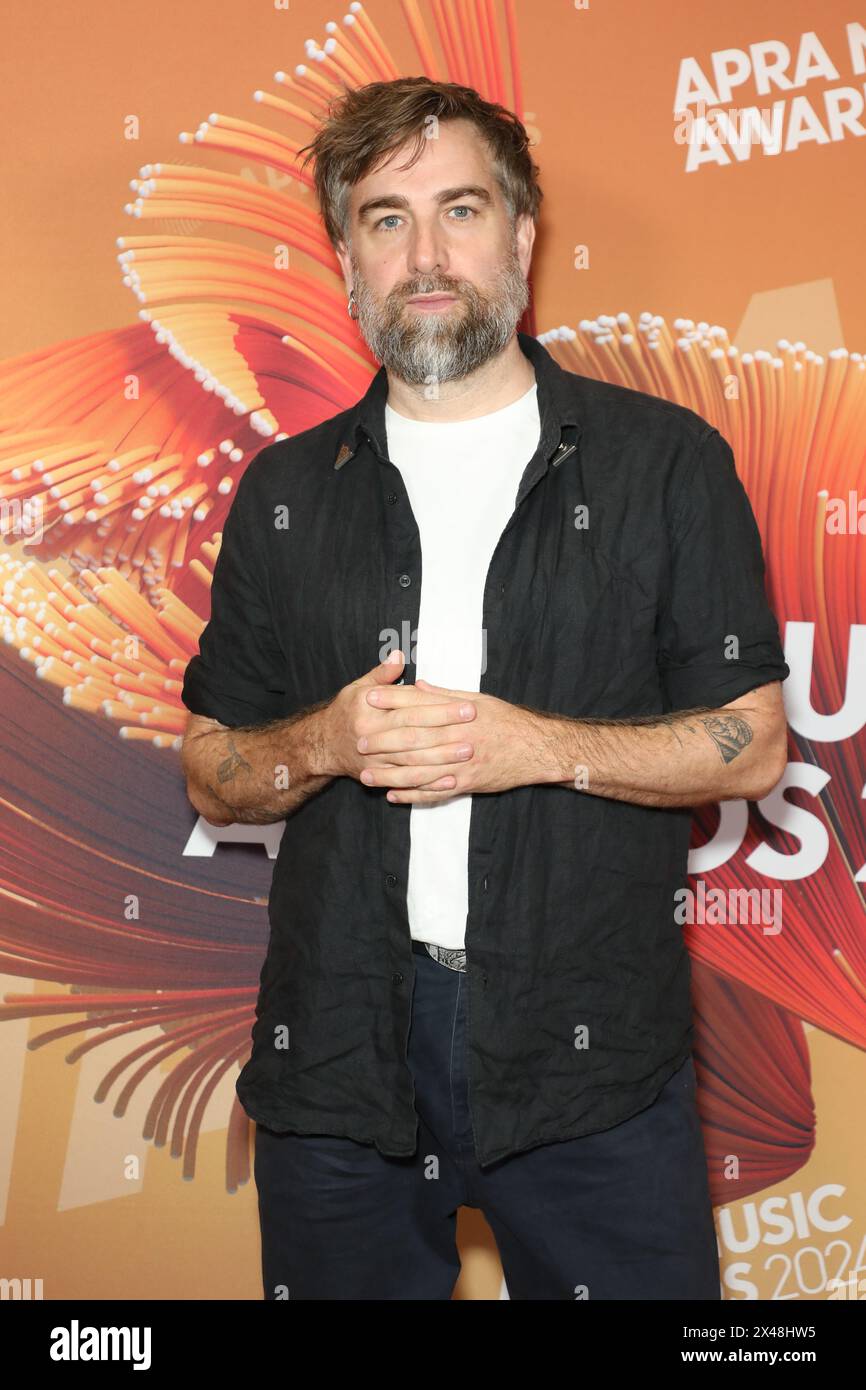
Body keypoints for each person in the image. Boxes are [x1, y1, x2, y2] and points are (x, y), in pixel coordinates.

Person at [180, 77, 790, 1300]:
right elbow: (213, 767)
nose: (424, 252)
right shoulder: (284, 493)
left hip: (589, 1058)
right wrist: (328, 741)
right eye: (385, 217)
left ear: (519, 236)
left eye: (459, 208)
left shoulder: (662, 464)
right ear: (345, 255)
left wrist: (535, 746)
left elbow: (750, 749)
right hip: (340, 1056)